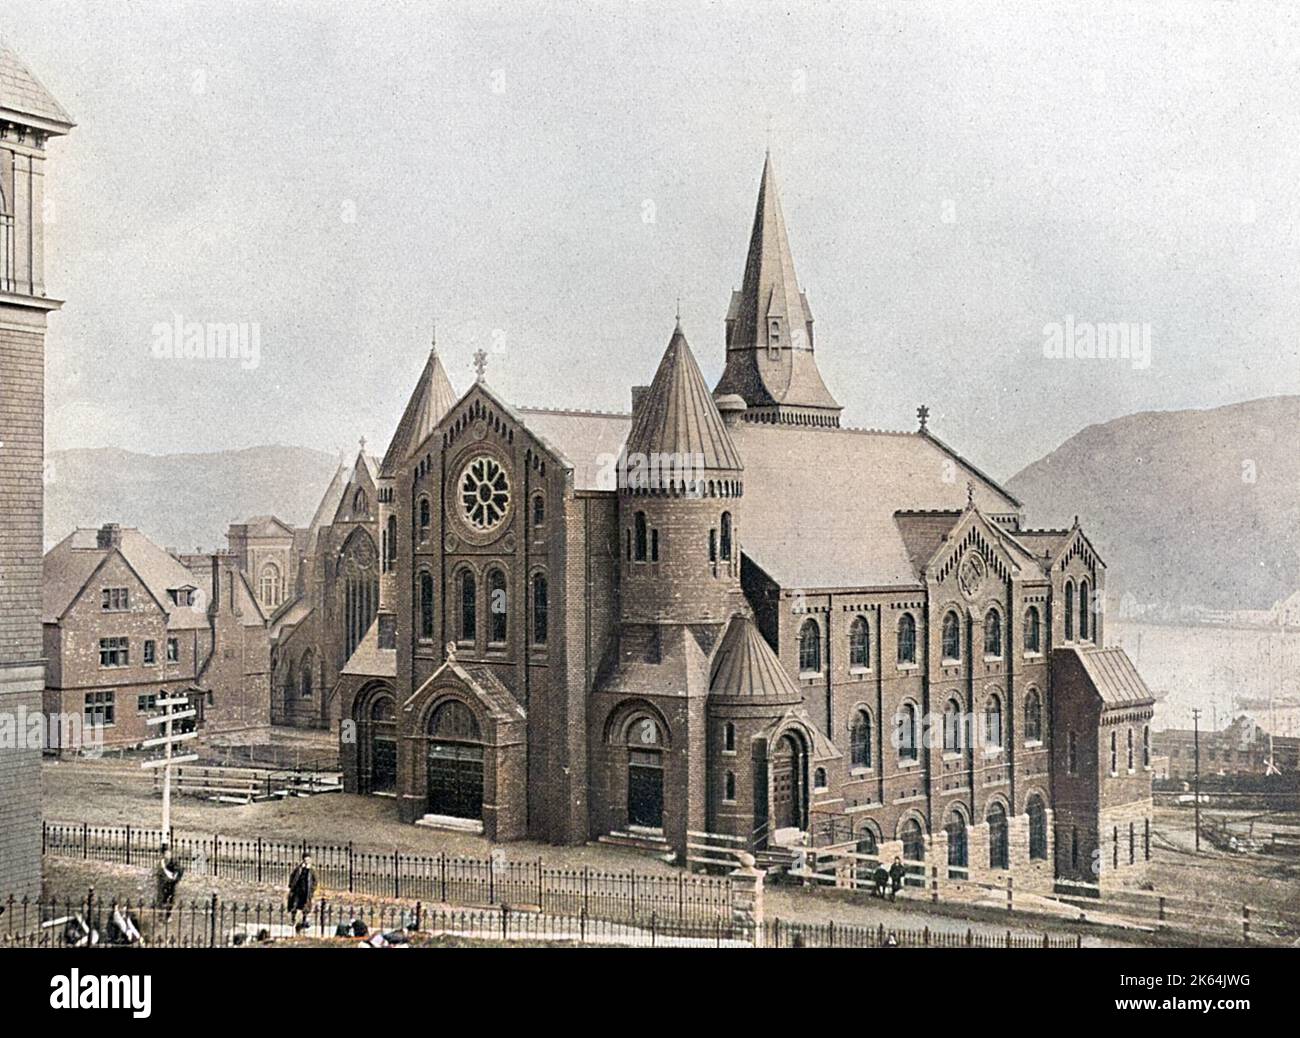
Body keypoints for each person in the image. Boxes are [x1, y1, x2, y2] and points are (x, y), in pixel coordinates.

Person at [286, 852, 318, 933]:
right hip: (298, 890)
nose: (307, 860)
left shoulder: (312, 870)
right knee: (294, 905)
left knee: (305, 907)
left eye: (308, 859)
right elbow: (292, 876)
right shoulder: (299, 868)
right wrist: (291, 885)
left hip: (306, 891)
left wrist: (312, 889)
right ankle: (293, 920)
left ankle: (304, 921)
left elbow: (315, 881)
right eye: (305, 858)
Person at [155, 844, 182, 920]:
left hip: (172, 883)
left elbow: (178, 871)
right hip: (163, 883)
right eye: (164, 853)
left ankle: (168, 915)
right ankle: (160, 914)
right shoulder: (161, 862)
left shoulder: (173, 861)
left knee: (171, 899)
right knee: (162, 899)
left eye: (167, 853)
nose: (166, 855)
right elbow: (159, 873)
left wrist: (175, 876)